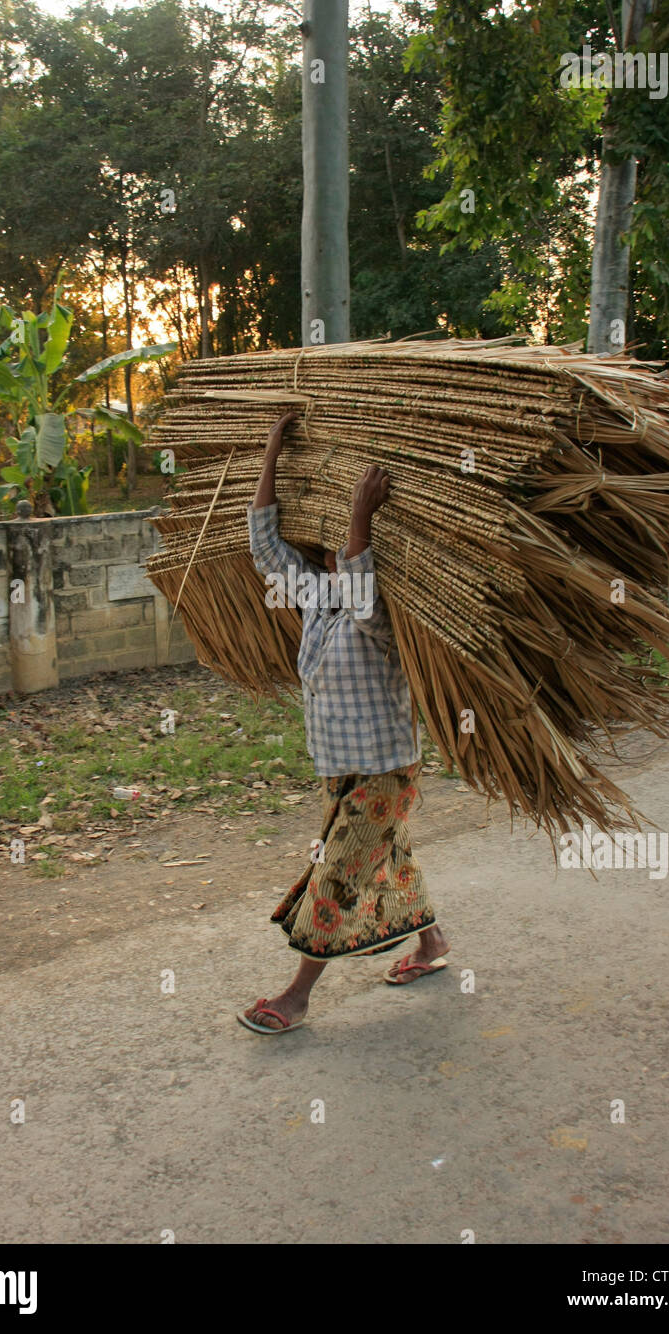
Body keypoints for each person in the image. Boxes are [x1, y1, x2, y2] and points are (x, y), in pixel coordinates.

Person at [237, 410, 450, 1034]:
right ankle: (432, 944)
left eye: (340, 541)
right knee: (392, 859)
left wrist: (363, 512)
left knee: (339, 872)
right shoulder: (316, 599)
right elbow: (264, 547)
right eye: (328, 539)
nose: (331, 550)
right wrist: (272, 452)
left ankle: (297, 997)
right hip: (342, 768)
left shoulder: (374, 610)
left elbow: (361, 581)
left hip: (385, 770)